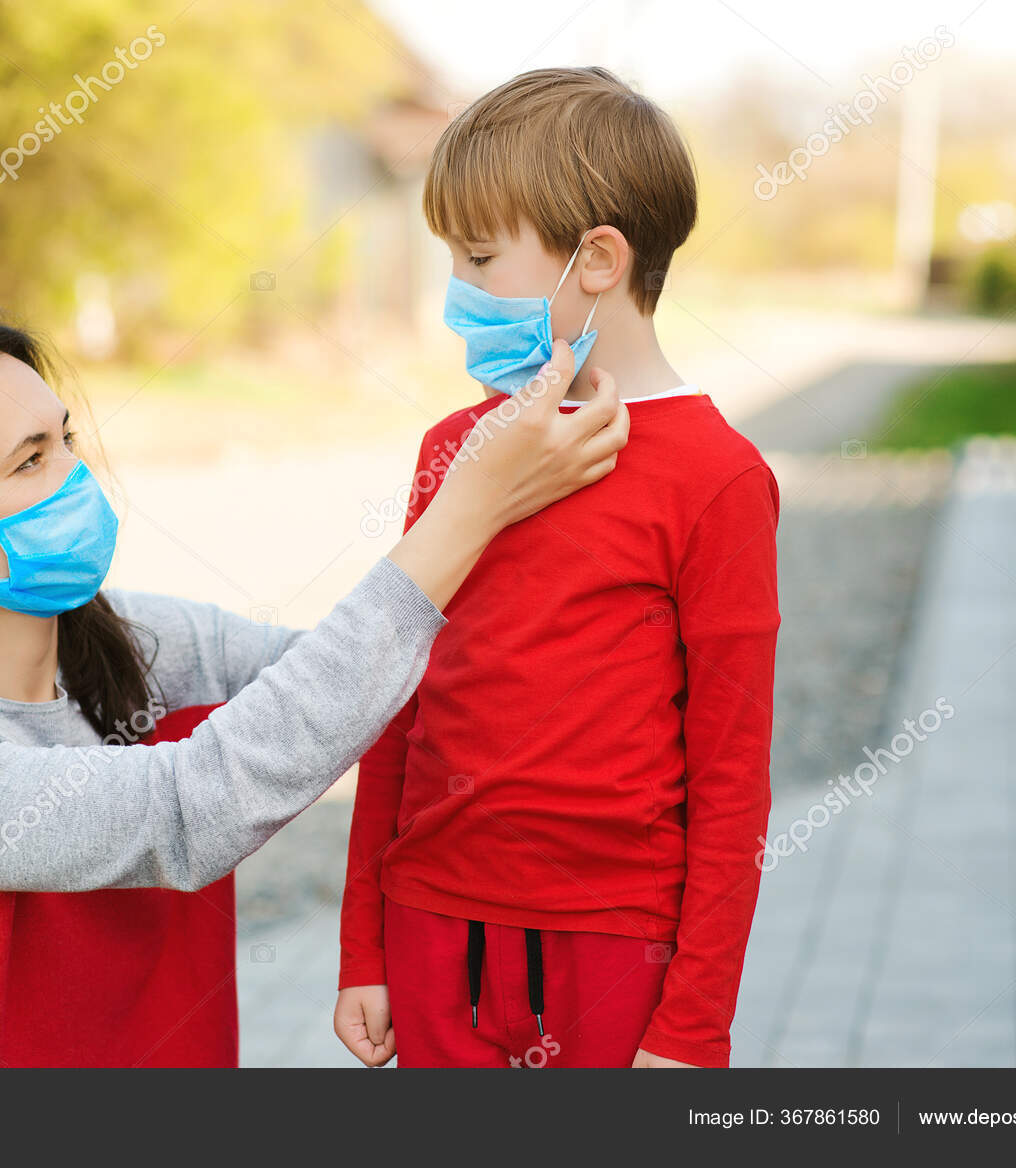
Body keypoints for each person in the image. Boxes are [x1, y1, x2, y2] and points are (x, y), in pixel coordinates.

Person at [0, 304, 627, 1066]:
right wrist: (467, 508)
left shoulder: (136, 644)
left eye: (67, 437)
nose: (77, 477)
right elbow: (187, 810)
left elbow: (376, 683)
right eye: (31, 461)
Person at [334, 67, 781, 1069]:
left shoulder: (717, 480)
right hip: (432, 930)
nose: (456, 291)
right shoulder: (455, 450)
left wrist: (693, 1024)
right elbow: (392, 705)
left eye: (480, 258)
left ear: (599, 260)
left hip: (614, 947)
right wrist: (363, 944)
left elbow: (730, 777)